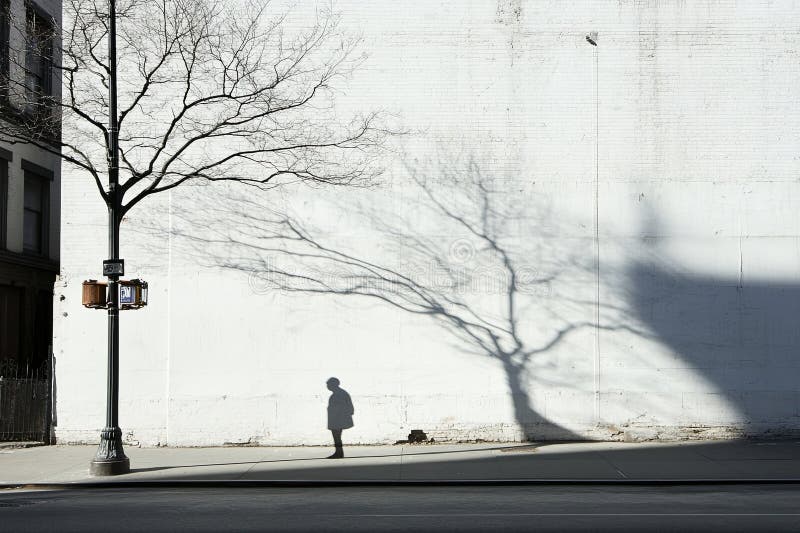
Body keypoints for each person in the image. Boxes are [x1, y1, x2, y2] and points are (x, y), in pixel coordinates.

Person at [325, 377, 354, 459]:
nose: (327, 386)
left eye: (328, 384)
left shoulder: (338, 394)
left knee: (337, 437)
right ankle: (338, 452)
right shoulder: (341, 393)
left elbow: (342, 408)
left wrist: (337, 418)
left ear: (333, 384)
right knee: (337, 437)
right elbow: (351, 409)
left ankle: (339, 453)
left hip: (337, 420)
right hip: (338, 420)